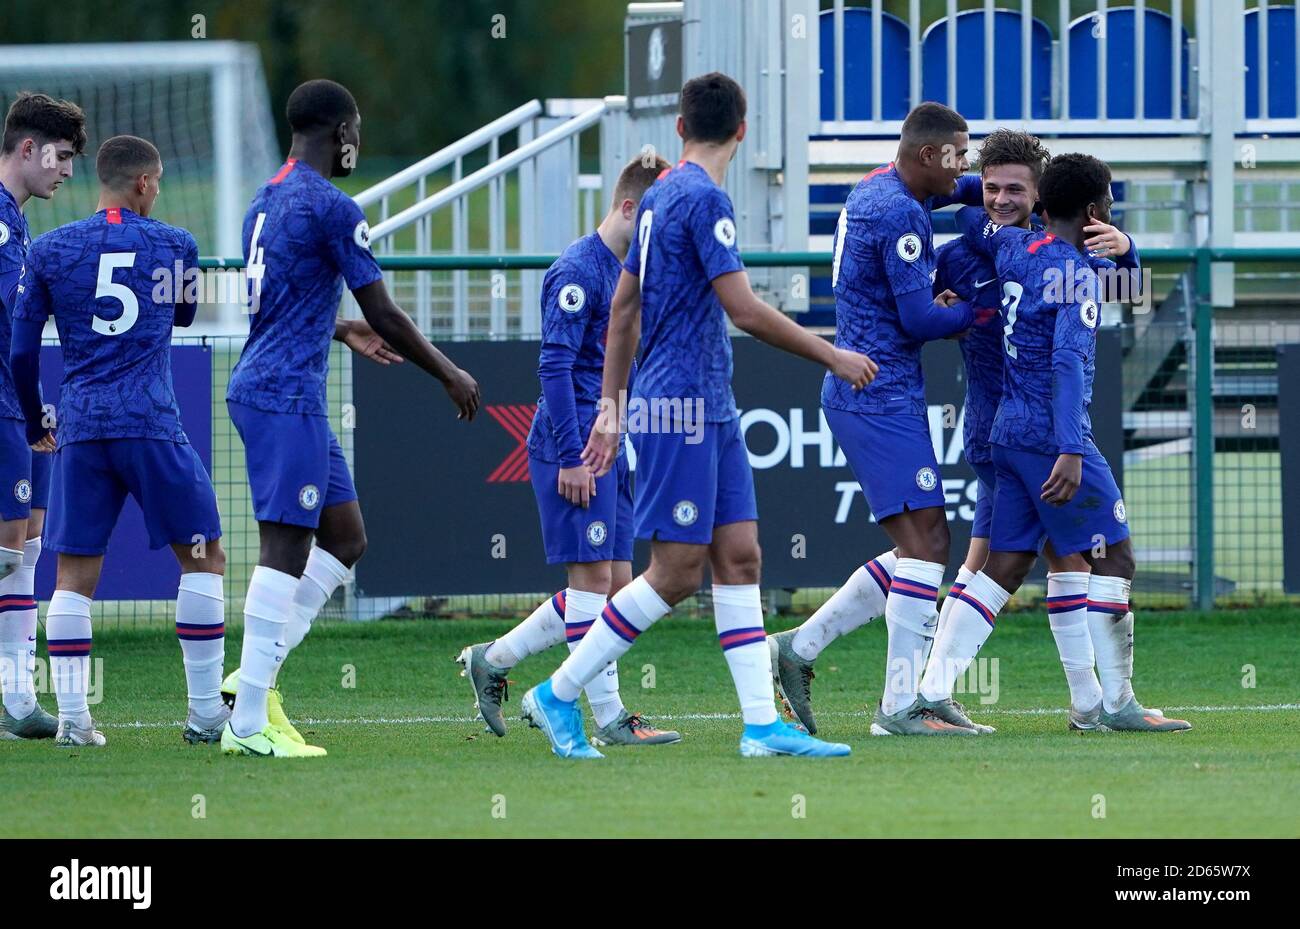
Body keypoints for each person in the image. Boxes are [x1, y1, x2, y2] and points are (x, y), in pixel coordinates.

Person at [519, 72, 876, 759]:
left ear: (681, 129)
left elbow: (623, 312)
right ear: (743, 131)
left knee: (740, 557)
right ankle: (557, 694)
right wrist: (831, 354)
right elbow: (742, 309)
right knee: (678, 570)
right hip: (681, 409)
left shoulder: (653, 200)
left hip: (707, 406)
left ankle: (761, 726)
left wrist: (612, 408)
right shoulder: (704, 199)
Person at [221, 79, 480, 758]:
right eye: (356, 129)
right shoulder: (333, 206)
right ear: (339, 133)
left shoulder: (266, 194)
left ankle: (253, 677)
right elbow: (388, 310)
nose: (357, 143)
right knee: (286, 545)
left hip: (275, 386)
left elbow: (281, 298)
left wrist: (340, 329)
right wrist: (448, 372)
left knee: (346, 536)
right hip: (282, 395)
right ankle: (247, 720)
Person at [927, 152, 1190, 734]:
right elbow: (1069, 363)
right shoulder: (1074, 274)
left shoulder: (1017, 248)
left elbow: (977, 222)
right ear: (1095, 210)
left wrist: (1124, 247)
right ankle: (1118, 704)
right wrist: (1071, 449)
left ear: (1041, 204)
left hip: (1008, 433)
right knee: (1115, 557)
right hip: (1052, 437)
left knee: (1007, 563)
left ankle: (928, 691)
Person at [457, 155, 681, 748]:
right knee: (591, 583)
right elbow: (553, 366)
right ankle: (606, 716)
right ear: (628, 208)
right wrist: (570, 458)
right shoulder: (578, 270)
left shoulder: (635, 272)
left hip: (613, 439)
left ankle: (494, 660)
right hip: (577, 440)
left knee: (617, 584)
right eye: (656, 220)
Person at [11, 135, 226, 747]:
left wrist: (35, 421)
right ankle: (207, 714)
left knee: (73, 576)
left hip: (80, 428)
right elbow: (183, 316)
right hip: (151, 422)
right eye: (156, 182)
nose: (157, 190)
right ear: (142, 184)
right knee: (204, 558)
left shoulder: (50, 250)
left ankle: (76, 721)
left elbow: (23, 351)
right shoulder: (175, 245)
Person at [0, 92, 85, 740]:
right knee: (9, 555)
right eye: (60, 157)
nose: (67, 172)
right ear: (27, 149)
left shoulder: (19, 224)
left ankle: (18, 698)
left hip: (18, 403)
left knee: (24, 552)